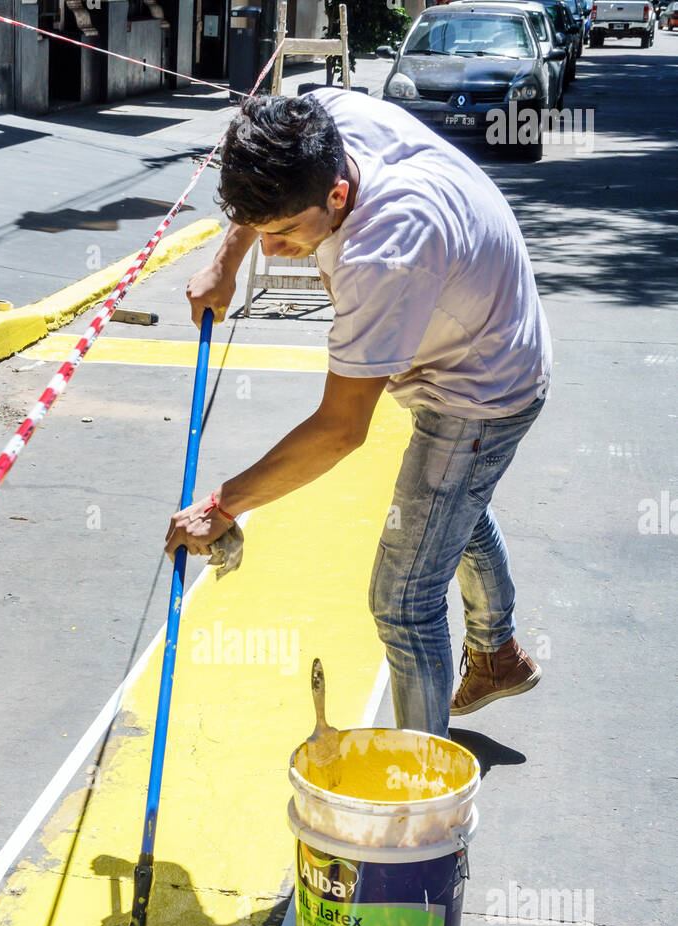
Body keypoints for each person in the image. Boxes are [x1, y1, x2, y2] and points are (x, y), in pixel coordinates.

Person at [165, 91, 551, 736]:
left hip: (482, 388)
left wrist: (223, 504)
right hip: (476, 322)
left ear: (338, 194)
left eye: (285, 232)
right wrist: (224, 263)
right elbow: (264, 190)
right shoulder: (314, 121)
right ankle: (497, 657)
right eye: (260, 230)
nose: (274, 245)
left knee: (402, 600)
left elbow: (340, 429)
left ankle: (421, 799)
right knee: (450, 510)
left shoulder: (382, 253)